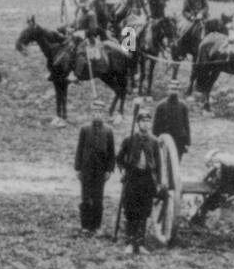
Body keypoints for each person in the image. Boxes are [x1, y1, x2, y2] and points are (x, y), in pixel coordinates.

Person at [117, 109, 159, 255]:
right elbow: (119, 158)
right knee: (130, 210)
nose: (145, 124)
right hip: (132, 178)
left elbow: (158, 164)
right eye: (143, 121)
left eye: (148, 121)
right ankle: (129, 242)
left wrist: (158, 181)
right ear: (138, 123)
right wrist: (123, 169)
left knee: (144, 211)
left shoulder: (154, 141)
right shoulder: (129, 139)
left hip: (147, 180)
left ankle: (140, 243)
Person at [74, 102, 115, 235]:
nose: (97, 114)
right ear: (91, 113)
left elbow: (111, 152)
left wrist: (109, 169)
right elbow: (80, 149)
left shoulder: (108, 131)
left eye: (100, 112)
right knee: (86, 198)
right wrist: (78, 168)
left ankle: (96, 227)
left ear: (103, 114)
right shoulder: (85, 129)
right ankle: (85, 226)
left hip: (101, 170)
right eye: (95, 111)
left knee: (98, 199)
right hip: (86, 169)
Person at [152, 87, 191, 158]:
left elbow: (186, 125)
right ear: (168, 90)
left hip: (179, 140)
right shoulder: (161, 105)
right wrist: (155, 140)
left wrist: (187, 142)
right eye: (172, 89)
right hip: (165, 139)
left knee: (176, 161)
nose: (174, 91)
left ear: (178, 91)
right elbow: (155, 125)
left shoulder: (183, 106)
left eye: (176, 89)